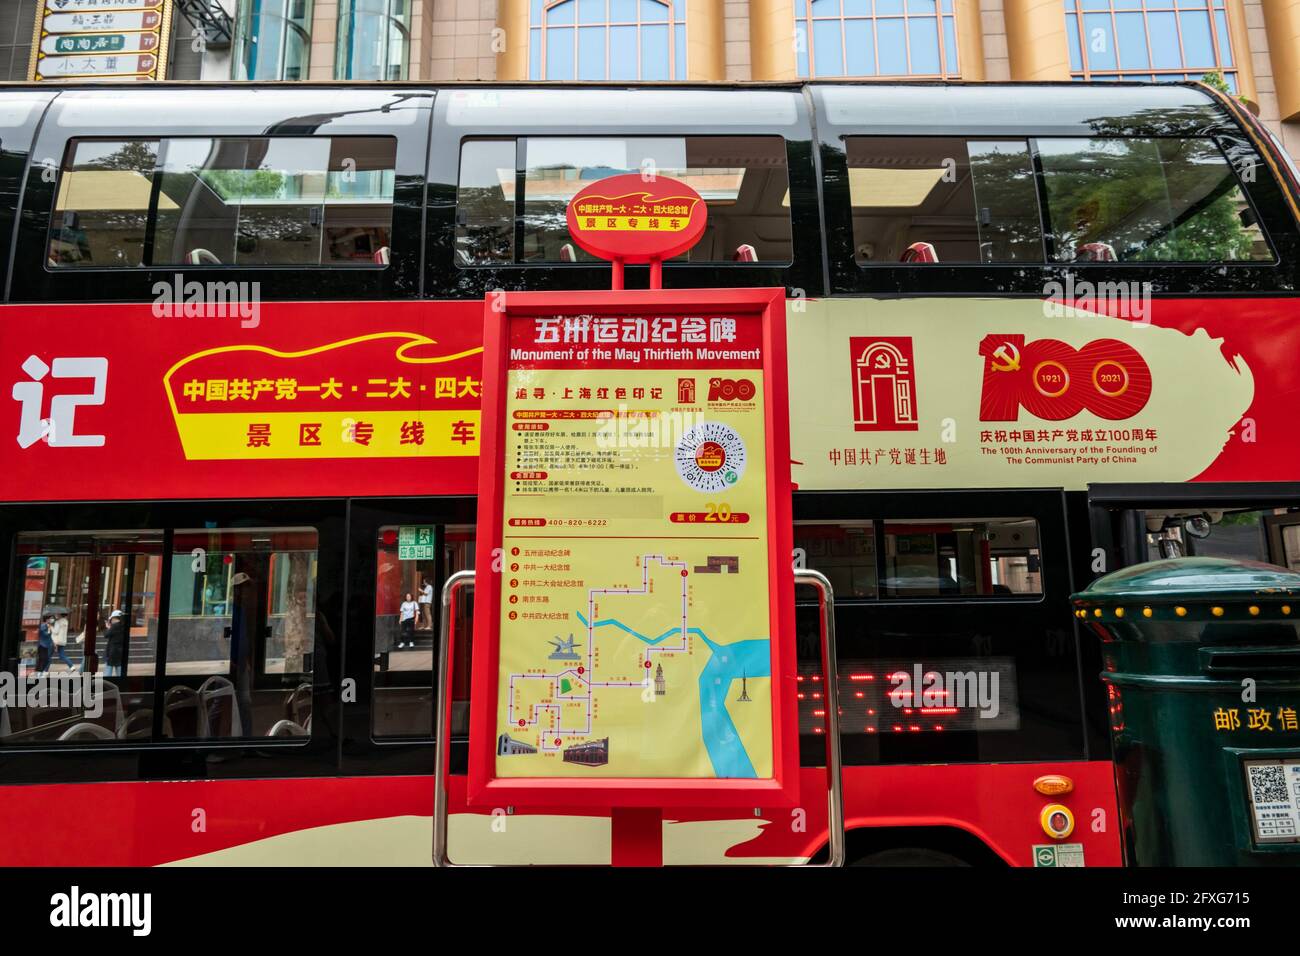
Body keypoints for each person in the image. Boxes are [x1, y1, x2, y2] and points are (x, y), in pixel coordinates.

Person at [103, 609, 126, 677]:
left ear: (114, 618)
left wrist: (108, 628)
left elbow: (106, 635)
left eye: (111, 619)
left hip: (112, 653)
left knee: (108, 672)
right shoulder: (123, 626)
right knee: (120, 672)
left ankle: (107, 686)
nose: (111, 621)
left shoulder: (115, 626)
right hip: (120, 652)